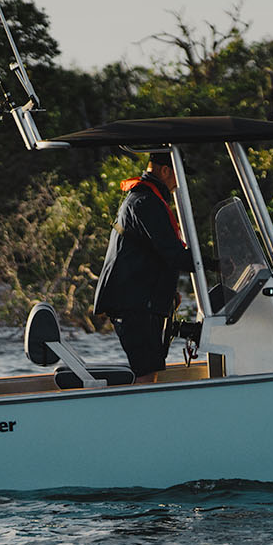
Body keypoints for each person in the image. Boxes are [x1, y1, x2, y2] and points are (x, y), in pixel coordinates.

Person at [93, 151, 195, 376]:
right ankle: (147, 408)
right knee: (148, 371)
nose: (178, 184)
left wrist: (168, 292)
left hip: (140, 303)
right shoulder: (146, 202)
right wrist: (215, 265)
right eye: (177, 175)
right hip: (134, 306)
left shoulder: (146, 198)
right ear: (165, 171)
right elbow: (174, 253)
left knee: (152, 368)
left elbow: (157, 252)